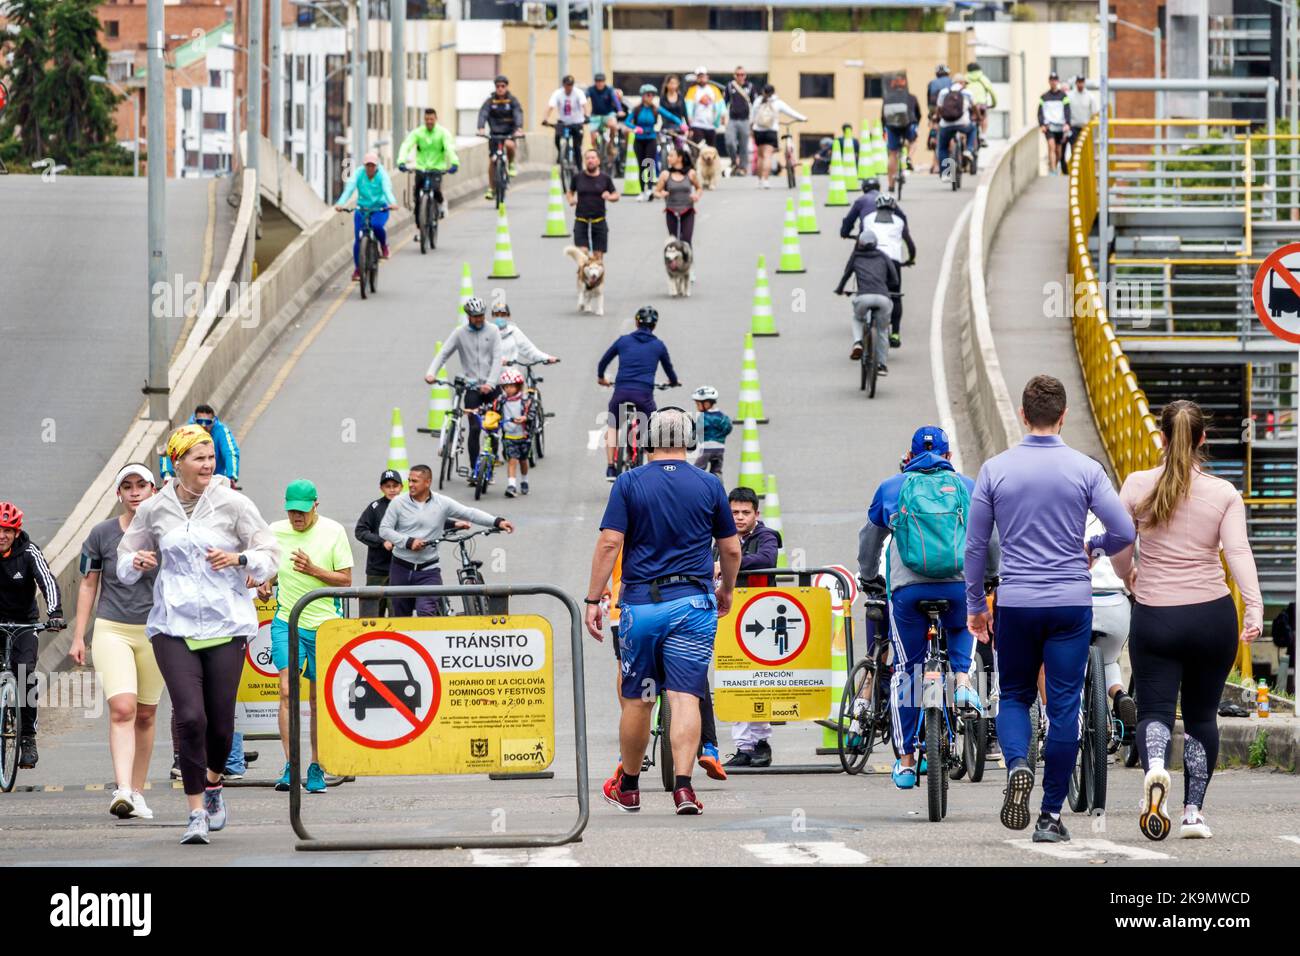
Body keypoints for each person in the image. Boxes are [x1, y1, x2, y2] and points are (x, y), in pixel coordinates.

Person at [963, 375, 1136, 843]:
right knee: (1064, 708)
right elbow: (1124, 530)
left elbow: (976, 546)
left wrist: (977, 605)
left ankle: (1018, 762)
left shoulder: (995, 471)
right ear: (1064, 417)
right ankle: (1048, 816)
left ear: (1023, 415)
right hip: (1070, 604)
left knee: (1015, 693)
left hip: (1017, 602)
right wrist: (1092, 546)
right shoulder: (1085, 469)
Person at [118, 424, 280, 845]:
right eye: (198, 458)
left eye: (210, 458)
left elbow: (270, 554)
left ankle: (212, 785)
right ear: (178, 463)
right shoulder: (155, 508)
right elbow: (123, 556)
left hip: (227, 624)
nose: (207, 465)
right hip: (173, 625)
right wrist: (136, 560)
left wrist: (241, 557)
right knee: (190, 717)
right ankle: (194, 813)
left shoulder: (233, 503)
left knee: (221, 724)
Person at [1109, 400, 1263, 841]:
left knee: (1155, 710)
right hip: (1212, 616)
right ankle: (1193, 812)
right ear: (1202, 439)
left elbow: (1121, 545)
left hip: (1157, 615)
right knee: (1201, 717)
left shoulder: (1138, 486)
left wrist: (1129, 576)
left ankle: (1155, 768)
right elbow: (1237, 553)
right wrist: (1252, 608)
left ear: (1160, 438)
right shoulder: (1224, 493)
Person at [584, 408, 741, 814]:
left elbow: (608, 544)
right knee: (685, 695)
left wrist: (592, 598)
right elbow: (732, 548)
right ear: (688, 441)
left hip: (642, 604)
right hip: (693, 603)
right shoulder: (709, 484)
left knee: (638, 699)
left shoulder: (629, 482)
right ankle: (685, 789)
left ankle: (630, 787)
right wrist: (726, 589)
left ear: (648, 441)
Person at [858, 426, 991, 789]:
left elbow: (870, 539)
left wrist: (870, 576)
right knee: (965, 625)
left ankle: (904, 760)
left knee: (907, 670)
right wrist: (990, 576)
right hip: (958, 585)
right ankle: (963, 680)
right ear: (949, 456)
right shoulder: (967, 485)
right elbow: (988, 536)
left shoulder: (892, 488)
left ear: (909, 454)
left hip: (907, 591)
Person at [70, 464, 161, 819]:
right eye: (128, 486)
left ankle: (137, 792)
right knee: (123, 708)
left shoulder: (165, 532)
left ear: (153, 491)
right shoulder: (101, 534)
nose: (135, 491)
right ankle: (122, 789)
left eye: (141, 485)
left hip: (155, 631)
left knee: (147, 713)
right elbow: (89, 583)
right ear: (118, 494)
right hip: (112, 628)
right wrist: (79, 635)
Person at [257, 480, 353, 795]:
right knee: (286, 691)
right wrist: (265, 582)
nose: (296, 517)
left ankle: (316, 766)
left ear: (315, 505)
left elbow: (346, 581)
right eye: (292, 511)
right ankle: (291, 764)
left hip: (325, 625)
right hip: (287, 620)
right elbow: (269, 570)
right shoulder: (276, 530)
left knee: (317, 700)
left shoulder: (334, 531)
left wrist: (313, 569)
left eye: (302, 511)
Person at [378, 465, 514, 616]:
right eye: (409, 480)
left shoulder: (442, 503)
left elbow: (469, 513)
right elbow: (384, 530)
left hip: (428, 571)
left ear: (427, 482)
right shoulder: (398, 503)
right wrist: (408, 542)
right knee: (401, 618)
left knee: (426, 613)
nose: (410, 484)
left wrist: (497, 522)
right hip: (400, 569)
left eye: (415, 481)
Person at [0, 501, 64, 770]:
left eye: (7, 530)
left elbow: (47, 581)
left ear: (16, 533)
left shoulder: (28, 553)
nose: (1, 536)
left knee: (25, 671)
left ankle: (27, 738)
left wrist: (55, 613)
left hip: (24, 624)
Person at [720, 487, 782, 768]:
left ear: (757, 514)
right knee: (736, 681)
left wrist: (728, 561)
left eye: (746, 512)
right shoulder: (719, 538)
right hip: (731, 618)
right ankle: (743, 746)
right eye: (734, 512)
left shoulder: (766, 536)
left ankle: (760, 742)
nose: (740, 518)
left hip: (763, 619)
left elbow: (767, 560)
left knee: (759, 681)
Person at [597, 306, 681, 481]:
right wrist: (673, 382)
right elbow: (669, 369)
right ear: (654, 326)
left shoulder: (623, 341)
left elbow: (603, 362)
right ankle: (651, 470)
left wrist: (601, 378)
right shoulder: (658, 345)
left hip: (621, 392)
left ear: (636, 322)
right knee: (653, 428)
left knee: (613, 426)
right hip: (643, 394)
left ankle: (611, 468)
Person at [425, 297, 504, 476]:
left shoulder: (493, 331)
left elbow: (498, 358)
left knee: (493, 426)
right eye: (475, 316)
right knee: (474, 428)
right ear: (468, 316)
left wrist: (491, 383)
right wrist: (431, 373)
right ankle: (475, 469)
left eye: (481, 316)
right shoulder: (459, 333)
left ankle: (493, 458)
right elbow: (443, 353)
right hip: (472, 388)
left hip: (492, 387)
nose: (479, 319)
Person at [1085, 507, 1138, 735]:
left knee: (1069, 666)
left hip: (1078, 598)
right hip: (1115, 601)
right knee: (1109, 660)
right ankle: (1120, 694)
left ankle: (1088, 723)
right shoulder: (1117, 515)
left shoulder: (1060, 508)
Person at [834, 228, 899, 374]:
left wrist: (839, 289)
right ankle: (881, 365)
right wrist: (885, 285)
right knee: (882, 330)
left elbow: (846, 275)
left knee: (857, 318)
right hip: (883, 298)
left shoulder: (856, 256)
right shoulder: (883, 256)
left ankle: (858, 343)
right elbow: (895, 279)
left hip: (863, 297)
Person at [859, 194, 914, 348]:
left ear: (877, 206)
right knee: (895, 295)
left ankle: (864, 325)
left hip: (871, 259)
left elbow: (861, 239)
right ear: (893, 208)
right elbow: (910, 244)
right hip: (893, 262)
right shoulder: (899, 221)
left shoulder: (868, 218)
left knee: (864, 291)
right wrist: (911, 259)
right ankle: (895, 333)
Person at [334, 150, 397, 281]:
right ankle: (358, 269)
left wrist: (393, 203)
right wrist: (340, 204)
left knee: (377, 225)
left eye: (372, 165)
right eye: (368, 165)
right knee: (358, 239)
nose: (370, 168)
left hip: (379, 208)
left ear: (377, 166)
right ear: (364, 165)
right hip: (362, 209)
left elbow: (387, 190)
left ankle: (384, 246)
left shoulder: (382, 175)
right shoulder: (358, 174)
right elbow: (349, 190)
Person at [354, 469, 405, 618]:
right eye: (387, 486)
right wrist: (382, 542)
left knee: (397, 616)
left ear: (401, 487)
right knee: (372, 616)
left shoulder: (409, 507)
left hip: (401, 569)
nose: (392, 489)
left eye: (395, 486)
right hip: (377, 572)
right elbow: (360, 531)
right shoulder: (374, 508)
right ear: (381, 488)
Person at [396, 107, 459, 226]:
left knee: (436, 190)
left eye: (431, 119)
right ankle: (420, 219)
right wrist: (401, 161)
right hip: (421, 168)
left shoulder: (442, 133)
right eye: (427, 119)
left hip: (437, 168)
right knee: (417, 195)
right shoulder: (418, 132)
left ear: (436, 119)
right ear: (424, 120)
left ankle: (441, 205)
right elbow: (406, 145)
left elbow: (450, 148)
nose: (429, 121)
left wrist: (454, 163)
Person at [624, 84, 685, 198]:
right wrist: (635, 128)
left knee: (650, 164)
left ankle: (650, 189)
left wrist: (681, 123)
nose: (650, 97)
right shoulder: (637, 109)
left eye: (652, 95)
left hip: (651, 138)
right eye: (648, 95)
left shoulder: (656, 109)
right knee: (641, 165)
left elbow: (670, 116)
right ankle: (642, 190)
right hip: (639, 140)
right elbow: (627, 122)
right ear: (643, 96)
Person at [160, 403, 241, 487]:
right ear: (194, 420)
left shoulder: (222, 431)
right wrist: (167, 475)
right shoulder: (184, 432)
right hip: (189, 480)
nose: (203, 425)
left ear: (213, 421)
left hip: (215, 481)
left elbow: (230, 453)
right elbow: (169, 450)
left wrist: (231, 476)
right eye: (200, 422)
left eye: (207, 422)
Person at [565, 148, 619, 263]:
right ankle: (583, 279)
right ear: (585, 161)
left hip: (599, 221)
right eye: (588, 158)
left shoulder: (605, 178)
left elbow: (616, 195)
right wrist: (571, 199)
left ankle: (597, 280)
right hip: (581, 220)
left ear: (598, 161)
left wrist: (609, 197)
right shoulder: (578, 177)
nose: (590, 160)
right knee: (583, 257)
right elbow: (570, 192)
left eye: (593, 158)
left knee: (598, 258)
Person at [749, 84, 806, 189]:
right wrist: (803, 118)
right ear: (773, 92)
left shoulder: (758, 101)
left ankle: (759, 180)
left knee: (761, 156)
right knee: (768, 156)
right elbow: (790, 112)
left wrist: (751, 127)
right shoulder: (777, 102)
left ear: (763, 91)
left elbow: (752, 116)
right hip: (771, 131)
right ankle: (766, 180)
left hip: (758, 131)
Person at [476, 74, 525, 193]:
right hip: (495, 134)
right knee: (492, 161)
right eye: (498, 86)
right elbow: (483, 113)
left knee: (510, 145)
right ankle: (492, 188)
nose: (500, 89)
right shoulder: (490, 101)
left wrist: (518, 128)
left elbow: (518, 113)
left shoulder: (512, 100)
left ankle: (511, 164)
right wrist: (481, 127)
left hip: (509, 133)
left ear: (506, 87)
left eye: (503, 86)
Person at [491, 368, 534, 498]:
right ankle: (511, 485)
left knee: (523, 460)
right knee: (512, 460)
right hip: (509, 436)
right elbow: (492, 409)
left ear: (518, 386)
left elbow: (532, 414)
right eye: (506, 387)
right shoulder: (501, 400)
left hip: (523, 435)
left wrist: (525, 418)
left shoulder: (525, 401)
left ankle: (524, 480)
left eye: (512, 386)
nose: (508, 389)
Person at [653, 146, 702, 248]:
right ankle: (675, 262)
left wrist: (696, 195)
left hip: (687, 210)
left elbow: (699, 188)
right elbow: (656, 192)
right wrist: (661, 194)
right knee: (674, 241)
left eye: (671, 156)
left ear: (679, 158)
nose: (668, 158)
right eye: (668, 156)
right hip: (671, 210)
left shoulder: (690, 174)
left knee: (686, 241)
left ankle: (687, 260)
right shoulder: (665, 175)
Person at [881, 73, 922, 191]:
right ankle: (909, 158)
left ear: (893, 85)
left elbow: (883, 117)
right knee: (914, 141)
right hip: (908, 125)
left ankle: (891, 185)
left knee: (892, 153)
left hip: (891, 127)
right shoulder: (911, 97)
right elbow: (918, 114)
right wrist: (915, 125)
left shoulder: (887, 98)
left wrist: (885, 130)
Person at [935, 74, 978, 180]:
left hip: (946, 124)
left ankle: (946, 173)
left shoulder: (943, 92)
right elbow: (974, 108)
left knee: (943, 147)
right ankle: (968, 149)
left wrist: (938, 119)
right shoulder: (967, 93)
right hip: (963, 123)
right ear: (962, 83)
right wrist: (978, 117)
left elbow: (939, 109)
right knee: (973, 129)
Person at [492, 302, 560, 367]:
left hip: (511, 375)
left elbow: (530, 350)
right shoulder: (489, 333)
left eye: (503, 315)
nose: (500, 318)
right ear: (493, 317)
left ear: (508, 316)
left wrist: (547, 358)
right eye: (497, 315)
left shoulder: (514, 332)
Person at [544, 74, 589, 171]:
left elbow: (584, 105)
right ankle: (561, 154)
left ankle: (579, 168)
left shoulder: (578, 93)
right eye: (567, 85)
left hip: (577, 122)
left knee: (577, 146)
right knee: (557, 138)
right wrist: (545, 119)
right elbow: (550, 106)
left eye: (571, 85)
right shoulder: (558, 93)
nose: (569, 87)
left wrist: (586, 116)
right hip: (564, 121)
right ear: (563, 85)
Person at [691, 385, 731, 476]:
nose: (697, 407)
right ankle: (719, 488)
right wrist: (720, 438)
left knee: (697, 471)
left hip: (706, 449)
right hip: (720, 449)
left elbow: (696, 432)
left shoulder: (703, 417)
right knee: (717, 472)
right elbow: (728, 428)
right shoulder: (723, 416)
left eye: (698, 404)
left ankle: (696, 488)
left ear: (707, 404)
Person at [724, 66, 757, 175]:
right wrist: (722, 116)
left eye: (742, 74)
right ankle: (734, 161)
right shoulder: (729, 86)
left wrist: (754, 120)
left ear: (745, 76)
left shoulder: (750, 86)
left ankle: (743, 168)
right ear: (735, 75)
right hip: (732, 119)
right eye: (738, 74)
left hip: (745, 120)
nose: (740, 77)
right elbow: (724, 103)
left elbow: (755, 103)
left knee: (744, 145)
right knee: (730, 142)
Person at [586, 72, 627, 159]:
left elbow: (615, 100)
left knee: (613, 126)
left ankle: (610, 144)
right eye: (597, 81)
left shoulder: (609, 90)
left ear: (604, 82)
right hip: (595, 115)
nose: (599, 83)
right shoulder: (591, 90)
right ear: (595, 82)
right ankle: (595, 152)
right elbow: (584, 98)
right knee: (593, 137)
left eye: (601, 81)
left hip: (608, 114)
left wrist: (619, 110)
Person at [1038, 72, 1071, 177]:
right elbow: (1040, 112)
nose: (1053, 82)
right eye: (1051, 80)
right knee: (1051, 147)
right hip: (1049, 126)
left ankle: (1055, 166)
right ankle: (1052, 171)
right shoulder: (1044, 97)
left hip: (1060, 126)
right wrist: (1042, 124)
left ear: (1057, 81)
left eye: (1055, 80)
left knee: (1059, 151)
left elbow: (1067, 110)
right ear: (1049, 81)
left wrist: (1067, 123)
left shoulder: (1063, 96)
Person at [685, 66, 726, 147]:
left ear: (707, 77)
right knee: (699, 148)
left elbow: (721, 105)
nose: (701, 78)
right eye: (699, 76)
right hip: (697, 125)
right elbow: (688, 107)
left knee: (711, 150)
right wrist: (689, 124)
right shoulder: (692, 90)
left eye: (703, 76)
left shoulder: (714, 89)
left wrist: (723, 116)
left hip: (711, 125)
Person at [1065, 75, 1096, 171]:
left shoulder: (1090, 96)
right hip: (1074, 126)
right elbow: (1066, 111)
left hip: (1085, 127)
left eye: (1082, 82)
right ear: (1076, 83)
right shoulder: (1070, 96)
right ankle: (1076, 169)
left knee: (1085, 150)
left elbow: (1094, 113)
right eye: (1079, 82)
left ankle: (1084, 169)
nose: (1080, 84)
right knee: (1074, 148)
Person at [926, 65, 951, 173]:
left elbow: (929, 103)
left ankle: (932, 136)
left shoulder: (932, 83)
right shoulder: (952, 82)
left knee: (936, 132)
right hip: (950, 113)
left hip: (936, 112)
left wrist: (932, 116)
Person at [965, 60, 997, 139]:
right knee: (984, 117)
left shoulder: (965, 78)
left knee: (967, 118)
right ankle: (983, 135)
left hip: (969, 103)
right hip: (981, 103)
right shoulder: (983, 78)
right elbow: (992, 92)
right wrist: (994, 104)